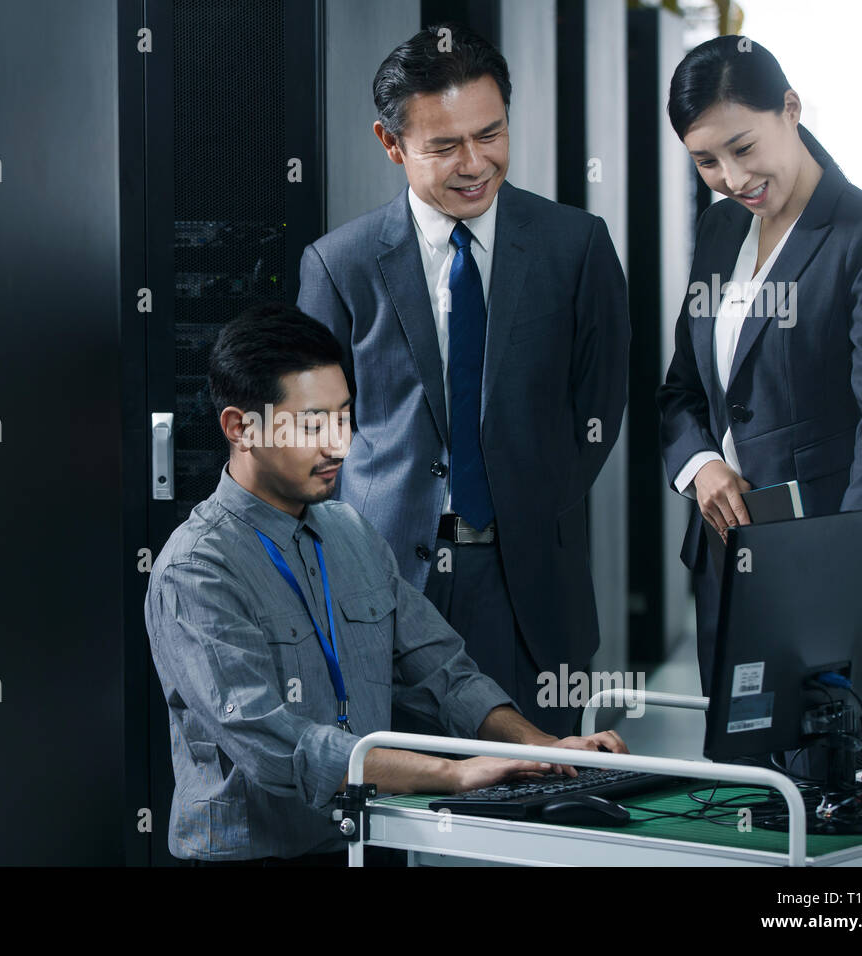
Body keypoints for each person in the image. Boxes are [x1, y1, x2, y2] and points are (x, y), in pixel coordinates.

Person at [144, 304, 627, 865]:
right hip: (259, 857)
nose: (337, 446)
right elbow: (277, 745)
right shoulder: (197, 569)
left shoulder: (349, 531)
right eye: (310, 424)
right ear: (239, 428)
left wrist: (542, 747)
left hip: (367, 838)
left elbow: (442, 671)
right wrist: (453, 774)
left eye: (344, 418)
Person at [296, 24, 629, 739]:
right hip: (385, 577)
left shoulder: (576, 246)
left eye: (491, 133)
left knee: (545, 793)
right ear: (391, 145)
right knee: (387, 814)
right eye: (445, 147)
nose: (475, 163)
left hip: (531, 579)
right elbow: (314, 429)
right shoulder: (340, 263)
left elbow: (598, 406)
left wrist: (530, 501)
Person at [656, 36, 862, 703]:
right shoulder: (718, 233)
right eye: (706, 160)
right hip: (727, 555)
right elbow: (681, 391)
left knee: (827, 776)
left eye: (742, 148)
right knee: (742, 772)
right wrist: (701, 466)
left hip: (824, 560)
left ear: (791, 109)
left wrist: (844, 562)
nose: (732, 178)